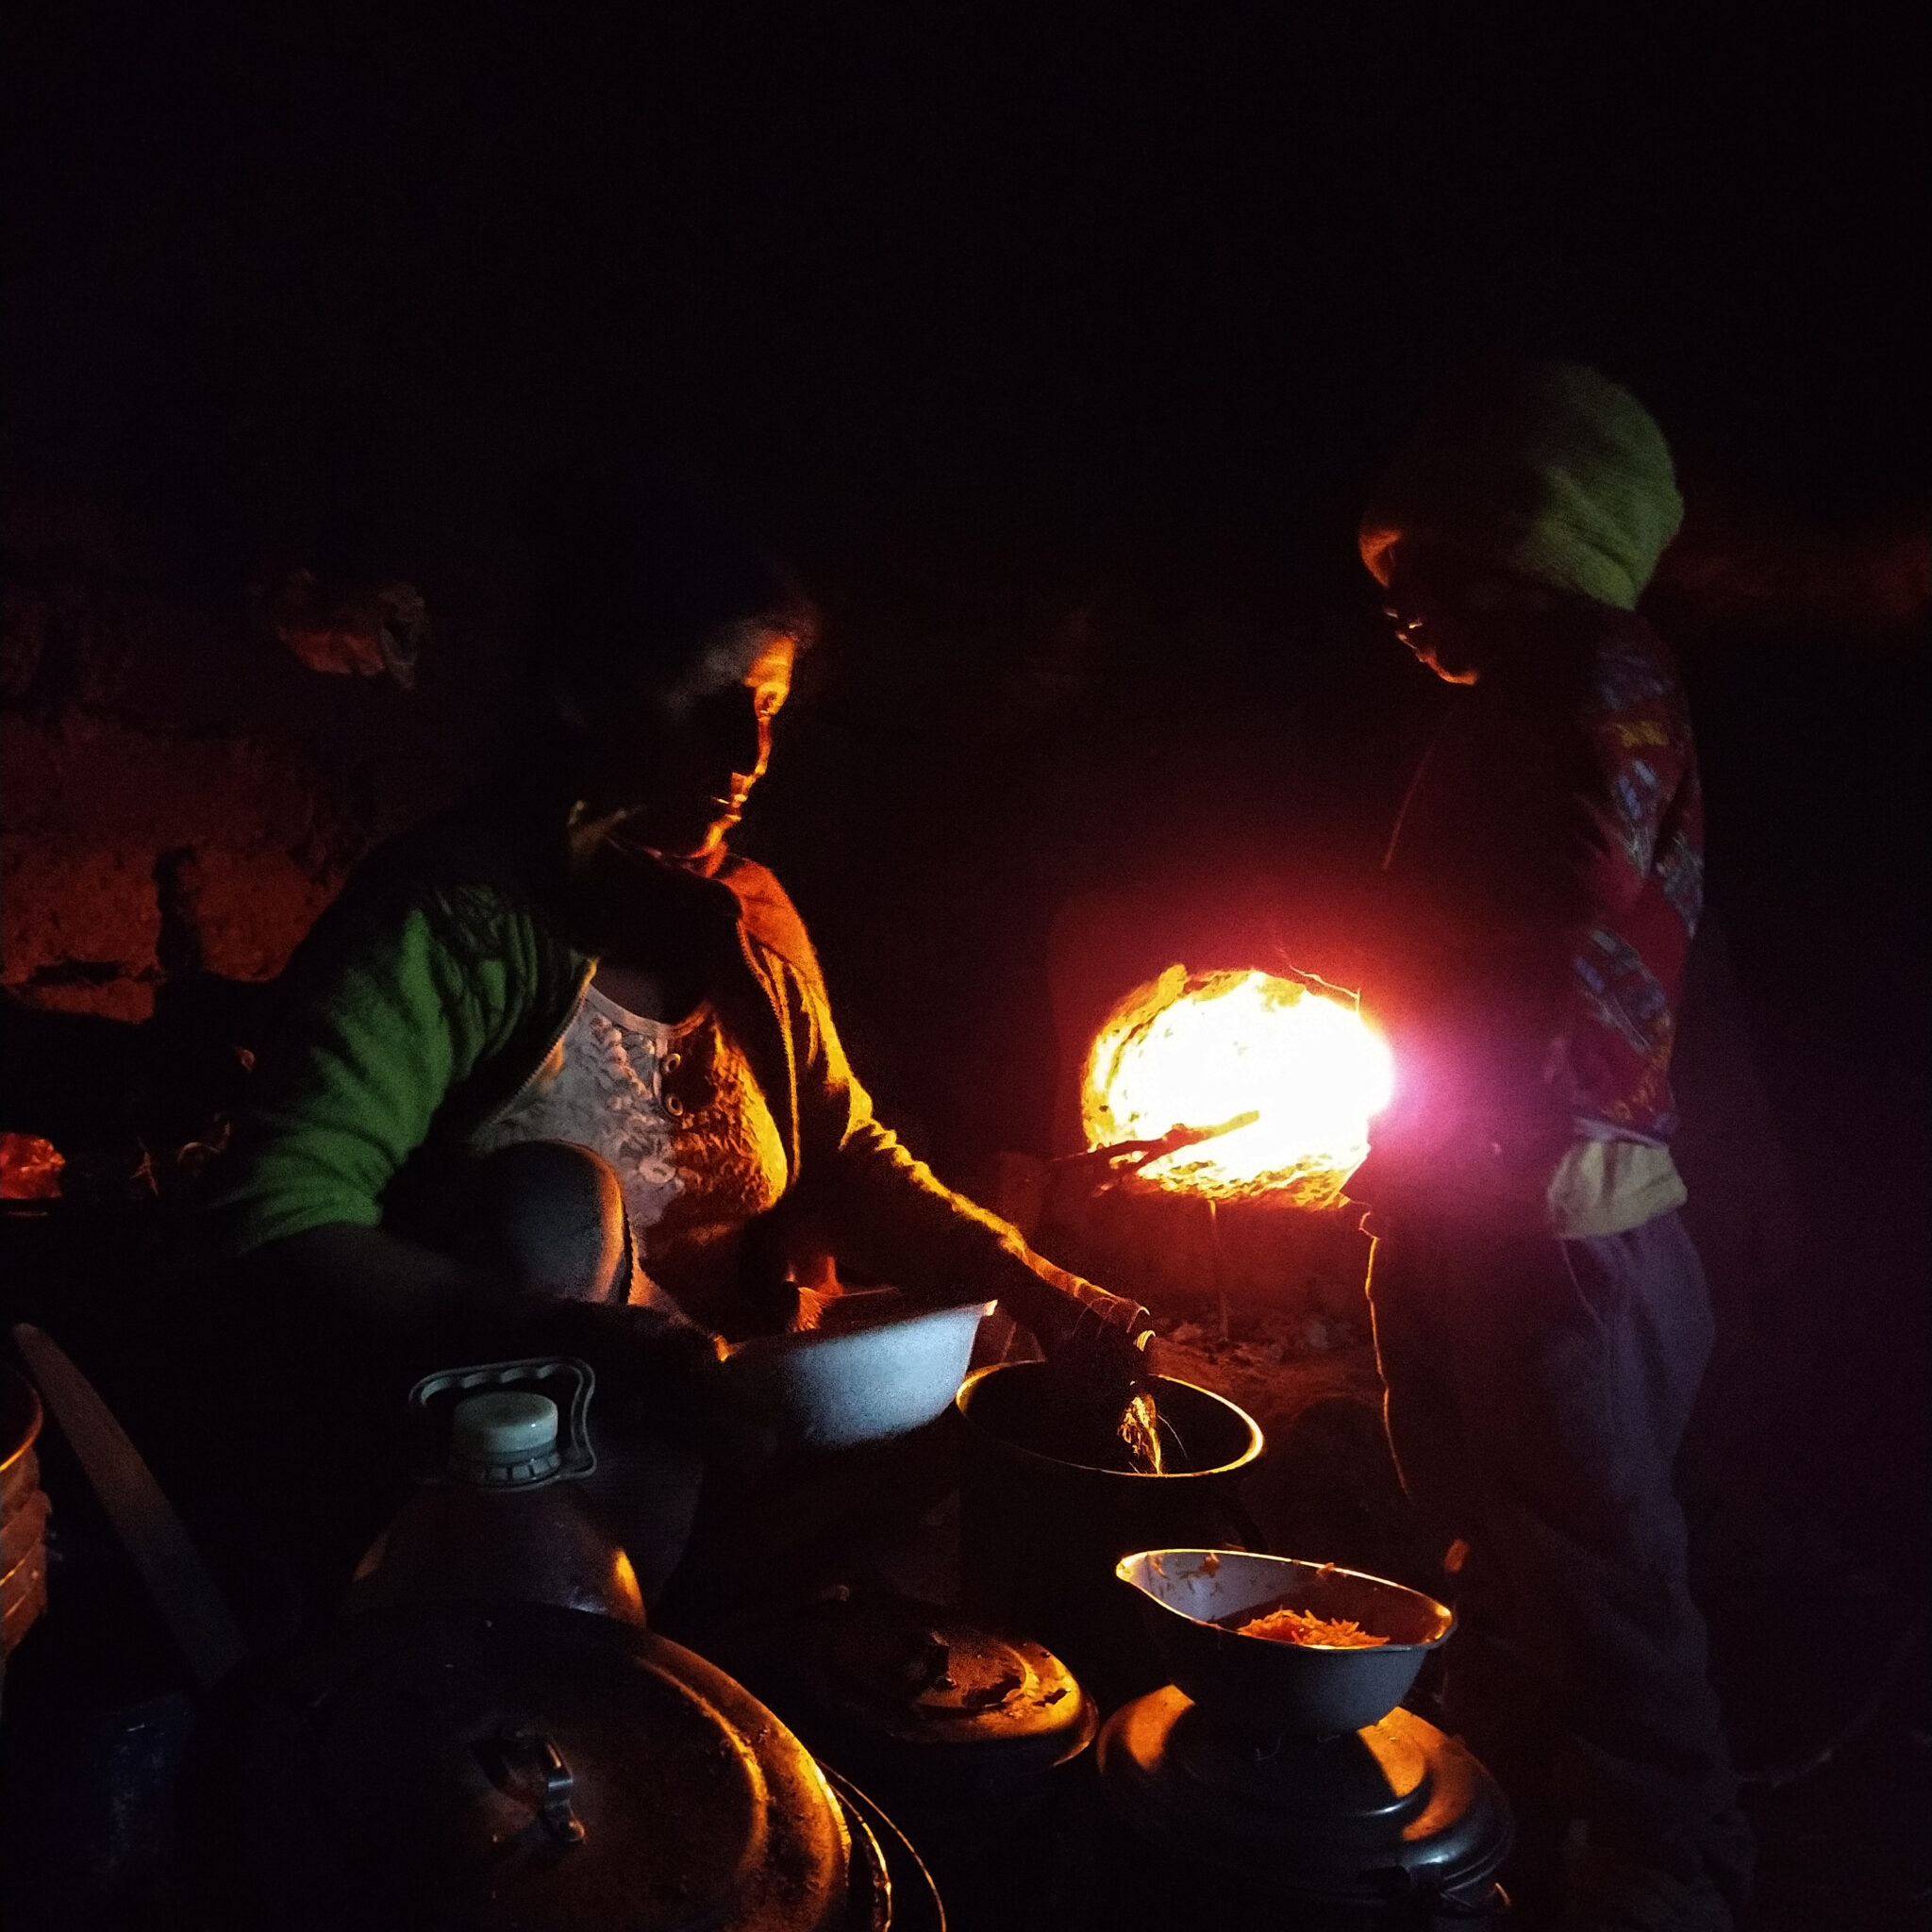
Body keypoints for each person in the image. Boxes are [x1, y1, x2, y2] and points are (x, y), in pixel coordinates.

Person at [208, 470, 1150, 1607]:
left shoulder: (751, 914)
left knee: (992, 1401)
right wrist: (557, 1329)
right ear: (586, 692)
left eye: (768, 704)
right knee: (552, 1199)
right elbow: (279, 1204)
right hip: (505, 1451)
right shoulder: (449, 919)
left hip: (733, 1413)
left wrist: (1037, 1281)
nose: (746, 748)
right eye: (706, 694)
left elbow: (846, 1150)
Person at [1343, 365, 1752, 1929]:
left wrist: (1415, 954)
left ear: (1536, 544)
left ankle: (1666, 1861)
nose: (1397, 610)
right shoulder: (1521, 695)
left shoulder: (1595, 672)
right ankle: (1516, 1814)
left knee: (1593, 1557)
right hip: (1480, 1192)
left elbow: (1577, 907)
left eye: (1424, 572)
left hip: (1560, 1208)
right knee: (1490, 1525)